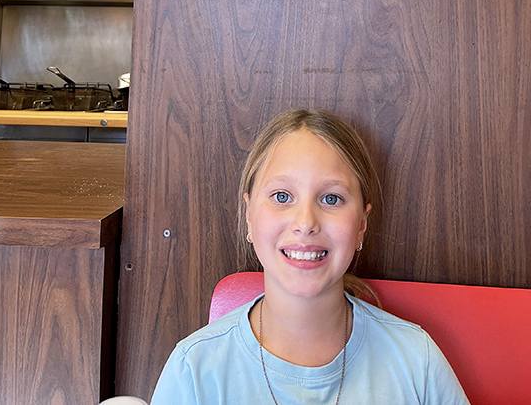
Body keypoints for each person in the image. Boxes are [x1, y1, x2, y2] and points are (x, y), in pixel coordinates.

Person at [150, 109, 470, 404]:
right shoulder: (193, 369)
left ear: (361, 225)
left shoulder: (417, 361)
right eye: (282, 196)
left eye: (331, 198)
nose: (305, 223)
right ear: (249, 215)